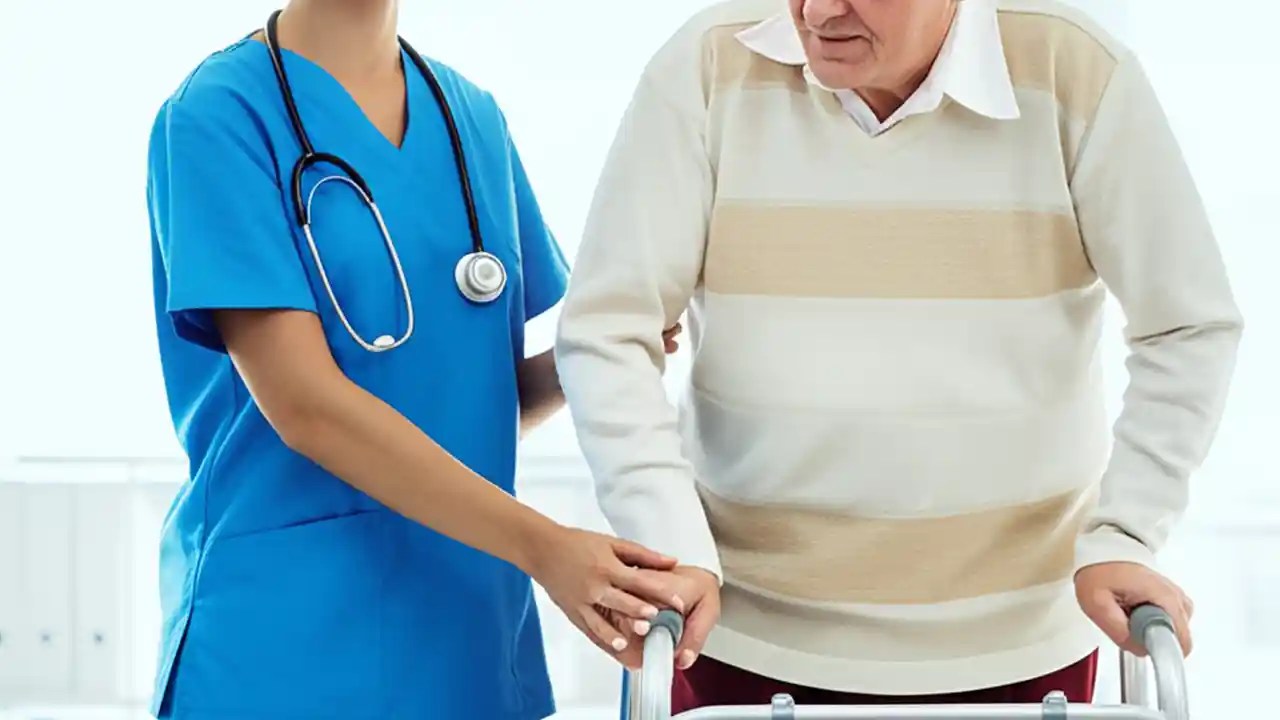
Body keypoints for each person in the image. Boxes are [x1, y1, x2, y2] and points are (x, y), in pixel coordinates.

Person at [556, 0, 1243, 712]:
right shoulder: (706, 62)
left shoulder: (1074, 69)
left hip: (1016, 640)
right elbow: (609, 328)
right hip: (739, 630)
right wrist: (671, 539)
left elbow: (1188, 326)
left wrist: (1125, 534)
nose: (818, 11)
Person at [144, 1, 684, 717]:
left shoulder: (471, 119)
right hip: (285, 641)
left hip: (464, 636)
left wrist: (593, 352)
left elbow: (476, 402)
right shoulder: (218, 116)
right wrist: (547, 547)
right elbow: (307, 407)